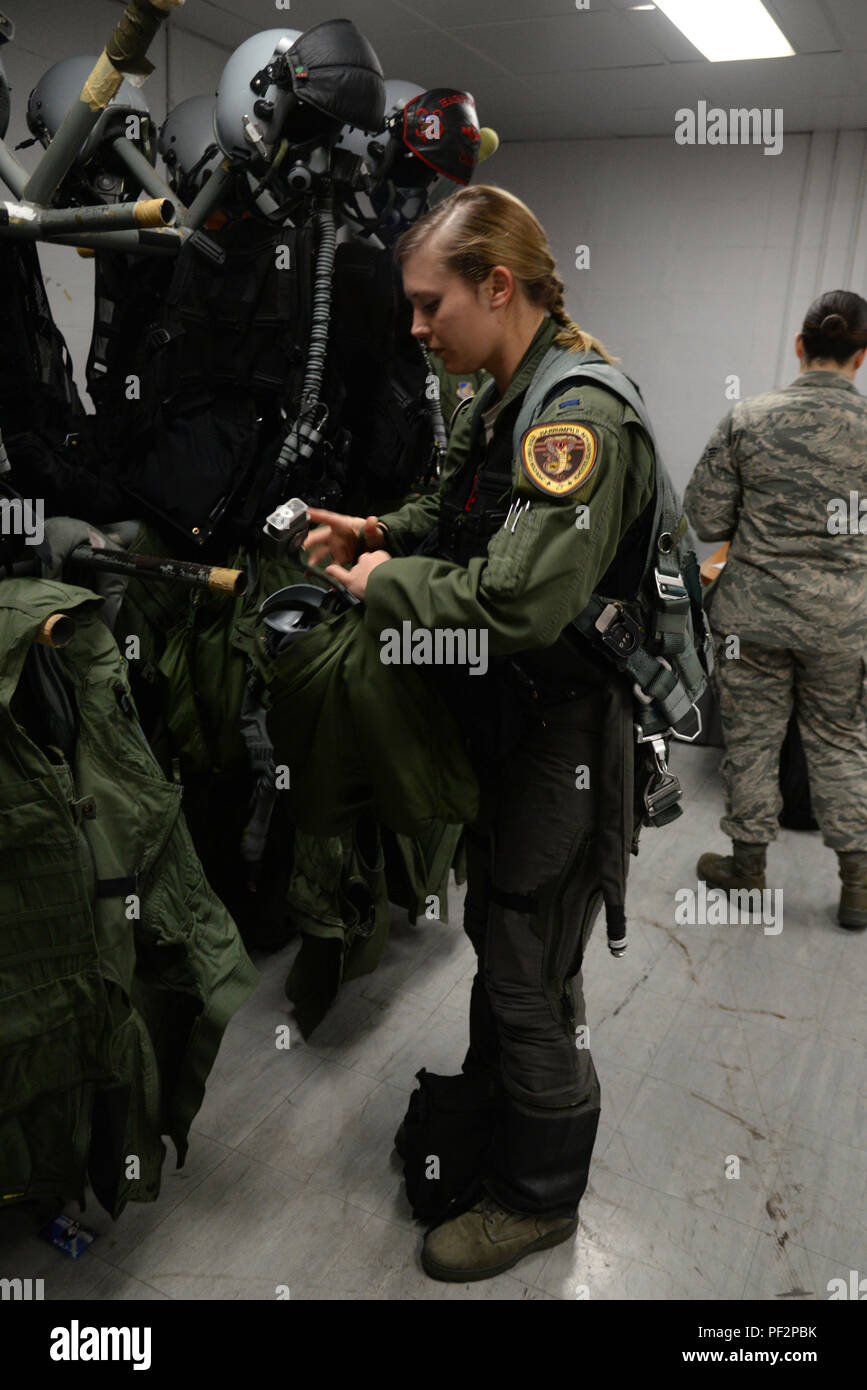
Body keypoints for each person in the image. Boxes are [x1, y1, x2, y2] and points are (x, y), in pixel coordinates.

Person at [301, 184, 658, 1282]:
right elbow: (450, 513)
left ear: (497, 287)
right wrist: (374, 528)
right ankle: (506, 1114)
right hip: (511, 725)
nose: (414, 327)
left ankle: (540, 1198)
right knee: (506, 940)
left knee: (525, 972)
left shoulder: (574, 419)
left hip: (563, 735)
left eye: (427, 304)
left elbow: (517, 604)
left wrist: (381, 584)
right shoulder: (498, 398)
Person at [684, 291, 867, 930]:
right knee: (842, 741)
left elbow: (704, 518)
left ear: (800, 345)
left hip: (753, 615)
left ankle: (748, 867)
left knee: (753, 741)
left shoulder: (749, 417)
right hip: (842, 623)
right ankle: (858, 884)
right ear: (862, 355)